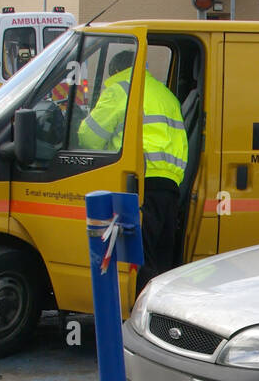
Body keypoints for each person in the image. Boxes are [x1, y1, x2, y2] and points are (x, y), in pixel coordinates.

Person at [78, 50, 187, 285]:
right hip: (170, 187)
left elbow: (89, 138)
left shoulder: (120, 91)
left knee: (141, 262)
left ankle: (139, 316)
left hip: (140, 184)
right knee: (162, 262)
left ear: (116, 71)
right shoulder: (167, 95)